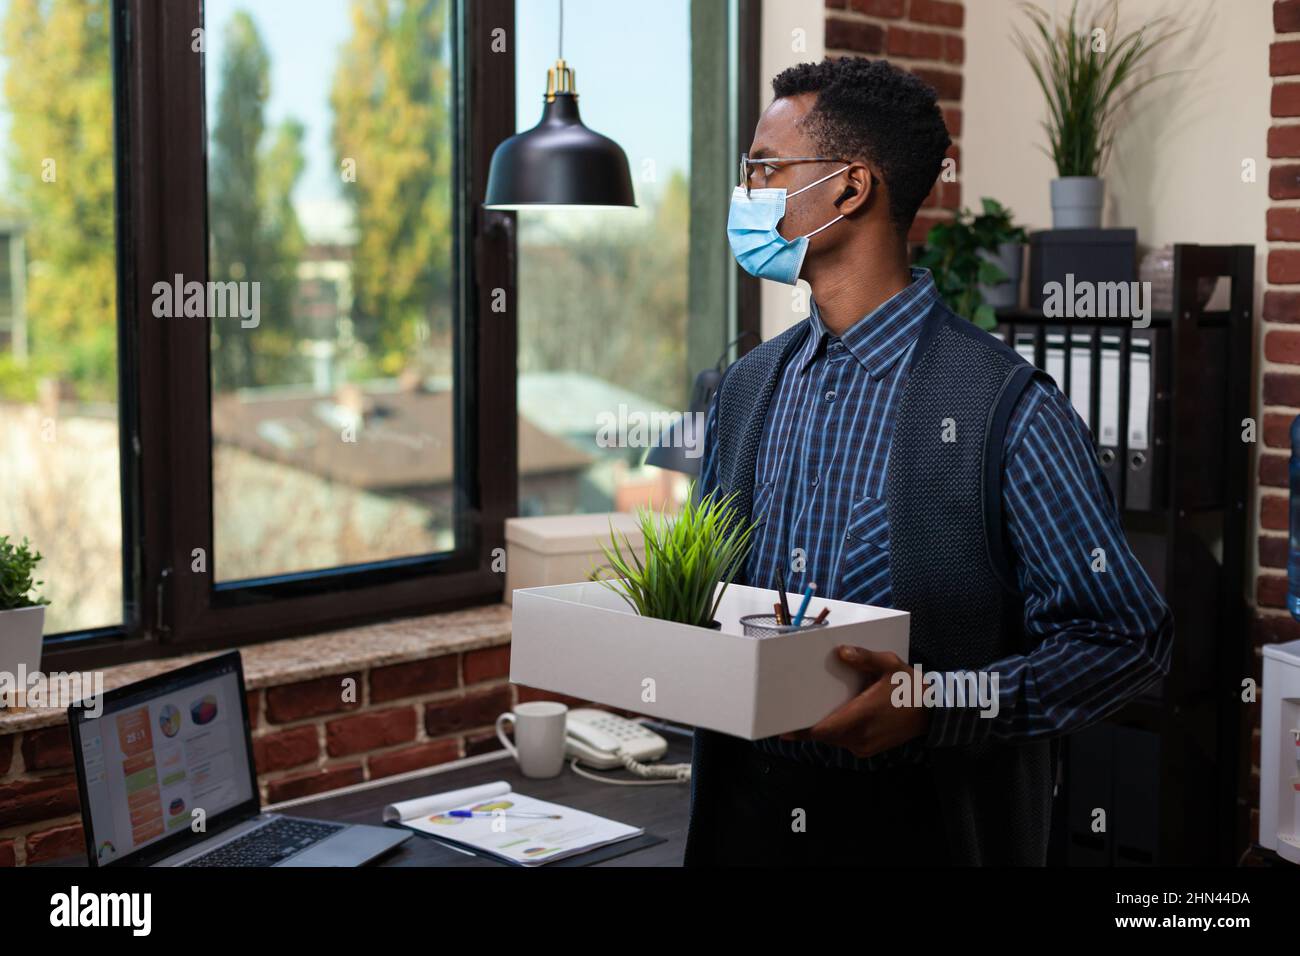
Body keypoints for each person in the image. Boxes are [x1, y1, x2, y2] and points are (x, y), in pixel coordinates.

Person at [685, 57, 1173, 866]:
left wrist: (937, 703)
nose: (747, 194)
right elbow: (711, 601)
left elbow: (1124, 639)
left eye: (766, 169)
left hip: (922, 830)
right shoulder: (745, 389)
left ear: (850, 189)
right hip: (743, 819)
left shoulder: (1007, 409)